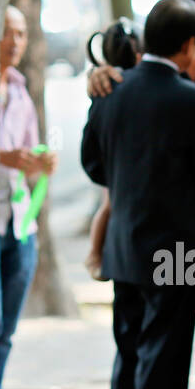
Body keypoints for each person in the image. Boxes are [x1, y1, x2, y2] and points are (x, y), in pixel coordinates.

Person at [80, 0, 195, 389]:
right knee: (163, 357)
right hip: (177, 250)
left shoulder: (110, 91)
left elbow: (93, 164)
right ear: (188, 44)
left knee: (129, 352)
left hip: (123, 245)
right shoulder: (194, 101)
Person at [0, 4, 58, 389]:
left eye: (20, 34)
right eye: (6, 33)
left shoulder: (21, 91)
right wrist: (4, 157)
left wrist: (40, 162)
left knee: (8, 327)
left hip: (21, 222)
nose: (15, 42)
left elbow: (29, 158)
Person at [82, 18, 142, 282]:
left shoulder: (103, 87)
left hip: (113, 171)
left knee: (107, 205)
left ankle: (95, 255)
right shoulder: (127, 86)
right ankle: (94, 254)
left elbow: (90, 156)